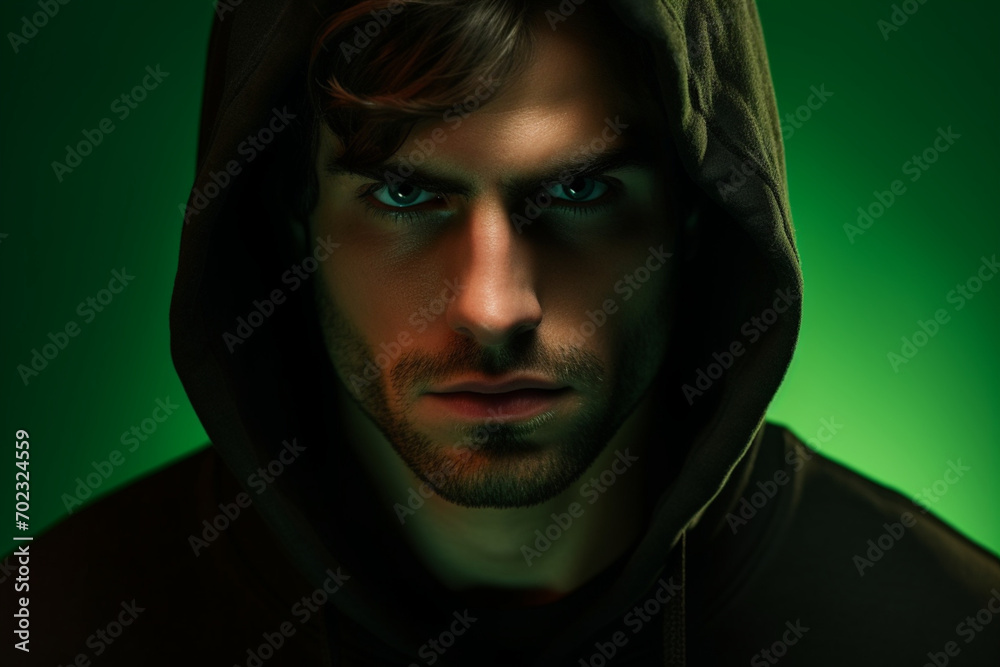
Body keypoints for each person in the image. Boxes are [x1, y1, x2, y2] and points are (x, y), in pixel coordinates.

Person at [12, 1, 999, 665]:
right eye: (406, 195)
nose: (492, 305)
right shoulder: (56, 627)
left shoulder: (945, 634)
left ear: (696, 212)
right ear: (290, 215)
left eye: (579, 191)